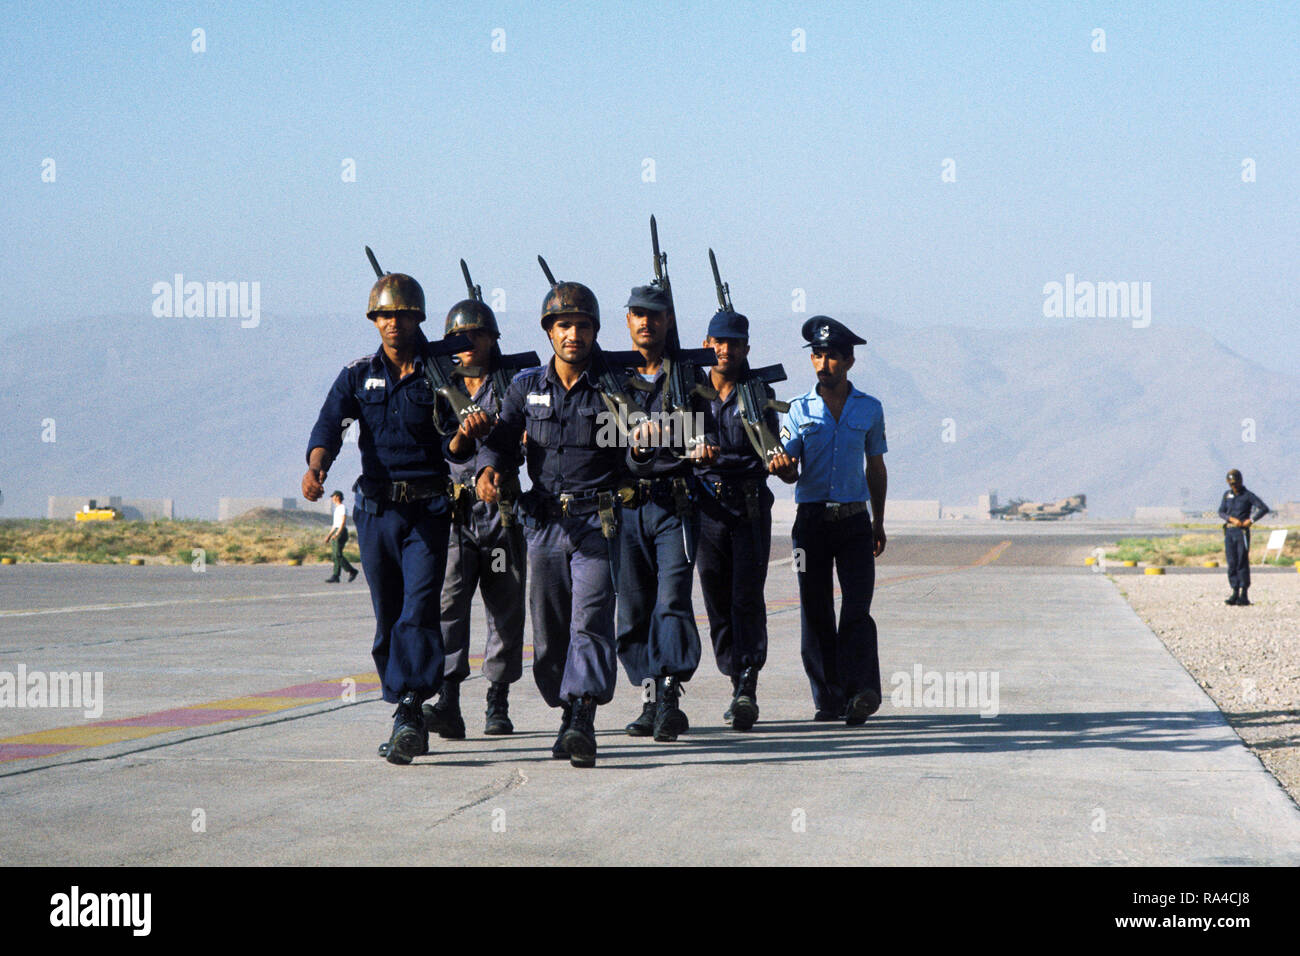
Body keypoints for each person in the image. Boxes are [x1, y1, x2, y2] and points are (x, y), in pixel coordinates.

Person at [303, 271, 491, 764]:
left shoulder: (441, 375)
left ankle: (410, 709)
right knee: (388, 615)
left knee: (418, 610)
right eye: (385, 315)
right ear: (374, 320)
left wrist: (468, 434)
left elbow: (453, 444)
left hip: (427, 512)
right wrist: (317, 467)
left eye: (403, 316)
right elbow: (330, 424)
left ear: (418, 320)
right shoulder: (357, 375)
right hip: (375, 512)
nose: (393, 324)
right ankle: (403, 699)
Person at [475, 279, 624, 768]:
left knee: (592, 621)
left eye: (583, 326)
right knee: (551, 629)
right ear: (548, 332)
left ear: (595, 331)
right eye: (563, 325)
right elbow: (500, 439)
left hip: (597, 523)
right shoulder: (524, 387)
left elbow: (645, 447)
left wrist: (645, 443)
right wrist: (489, 469)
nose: (573, 334)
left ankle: (583, 714)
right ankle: (565, 708)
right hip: (542, 523)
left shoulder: (616, 388)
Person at [769, 316, 888, 726]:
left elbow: (876, 467)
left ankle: (861, 691)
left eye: (832, 357)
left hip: (855, 522)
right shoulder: (798, 410)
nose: (824, 364)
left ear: (849, 361)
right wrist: (782, 467)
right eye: (818, 356)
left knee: (857, 607)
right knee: (815, 609)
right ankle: (828, 698)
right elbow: (790, 468)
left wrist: (879, 521)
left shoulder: (869, 409)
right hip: (812, 523)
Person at [423, 296, 526, 738]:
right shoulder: (439, 389)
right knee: (449, 605)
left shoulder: (515, 384)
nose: (465, 345)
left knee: (505, 605)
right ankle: (448, 699)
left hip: (502, 509)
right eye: (456, 339)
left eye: (474, 336)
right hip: (456, 512)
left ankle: (497, 700)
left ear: (492, 339)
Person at [616, 285, 715, 742]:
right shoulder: (612, 376)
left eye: (654, 315)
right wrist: (635, 442)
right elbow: (605, 437)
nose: (645, 322)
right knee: (634, 610)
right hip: (628, 507)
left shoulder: (691, 375)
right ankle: (649, 696)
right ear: (628, 321)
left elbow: (708, 436)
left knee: (672, 600)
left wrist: (700, 448)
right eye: (637, 314)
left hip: (675, 506)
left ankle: (671, 694)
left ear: (668, 321)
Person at [694, 309, 779, 731]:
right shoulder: (689, 391)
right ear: (707, 344)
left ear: (747, 348)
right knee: (715, 596)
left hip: (748, 507)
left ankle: (748, 681)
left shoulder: (758, 392)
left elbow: (771, 448)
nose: (725, 350)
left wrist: (780, 462)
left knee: (747, 595)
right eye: (718, 342)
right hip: (707, 508)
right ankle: (733, 673)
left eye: (735, 343)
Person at [1218, 469, 1270, 606]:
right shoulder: (1227, 495)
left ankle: (1244, 594)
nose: (1233, 486)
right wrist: (1230, 519)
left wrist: (1251, 520)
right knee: (1232, 563)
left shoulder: (1248, 495)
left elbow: (1264, 508)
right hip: (1229, 532)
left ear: (1240, 482)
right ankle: (1234, 591)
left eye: (1235, 484)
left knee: (1242, 562)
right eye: (1231, 484)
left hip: (1242, 533)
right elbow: (1221, 512)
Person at [323, 490, 359, 583]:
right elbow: (334, 525)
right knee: (335, 555)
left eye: (333, 496)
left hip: (341, 531)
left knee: (338, 555)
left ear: (337, 497)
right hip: (337, 530)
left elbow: (343, 522)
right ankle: (336, 575)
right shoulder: (337, 509)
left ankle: (352, 571)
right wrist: (329, 535)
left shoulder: (342, 508)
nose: (332, 498)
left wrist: (338, 533)